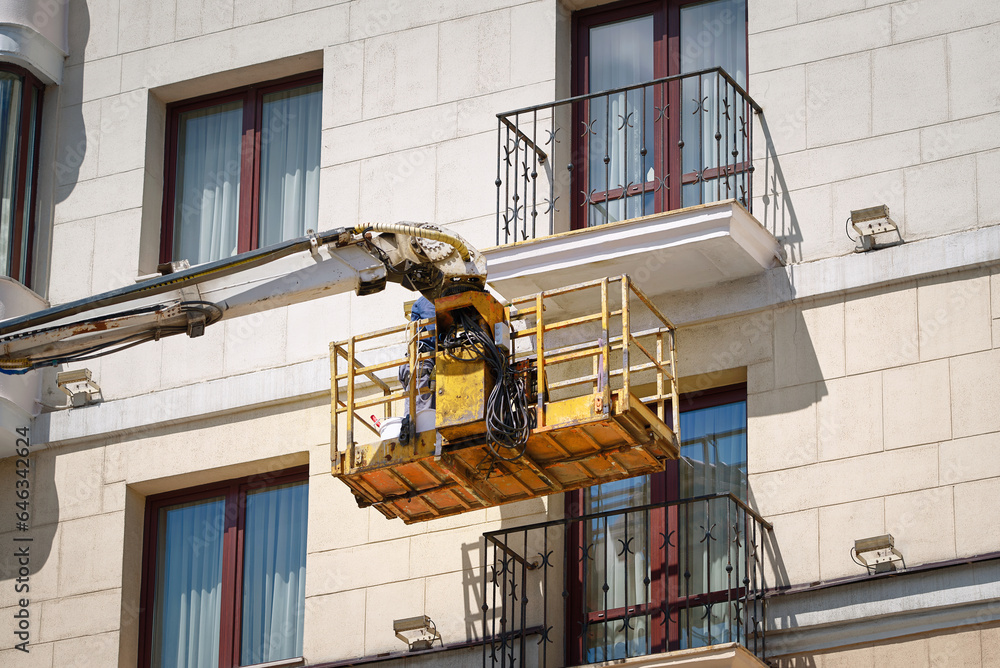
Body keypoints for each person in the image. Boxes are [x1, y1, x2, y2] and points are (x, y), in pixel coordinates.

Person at [398, 296, 436, 418]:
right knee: (420, 415)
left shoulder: (426, 301)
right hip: (421, 362)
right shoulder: (429, 301)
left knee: (425, 411)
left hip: (421, 363)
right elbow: (435, 328)